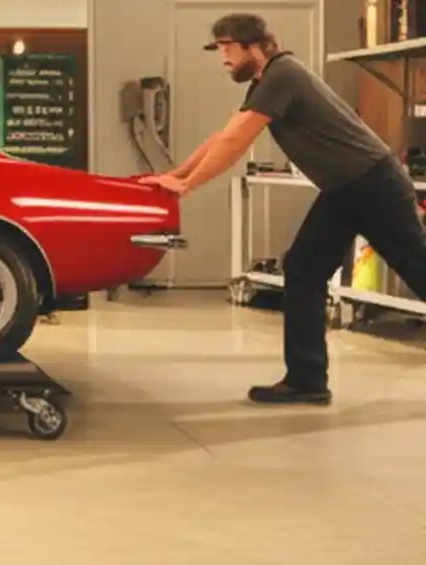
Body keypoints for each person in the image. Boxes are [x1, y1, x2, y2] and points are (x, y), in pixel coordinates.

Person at [142, 13, 426, 405]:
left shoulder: (283, 74)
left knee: (420, 272)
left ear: (254, 46)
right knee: (303, 271)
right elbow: (224, 135)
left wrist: (188, 184)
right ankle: (307, 379)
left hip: (374, 184)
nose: (223, 58)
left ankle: (307, 377)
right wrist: (176, 174)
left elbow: (237, 140)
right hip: (343, 190)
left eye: (228, 48)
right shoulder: (266, 80)